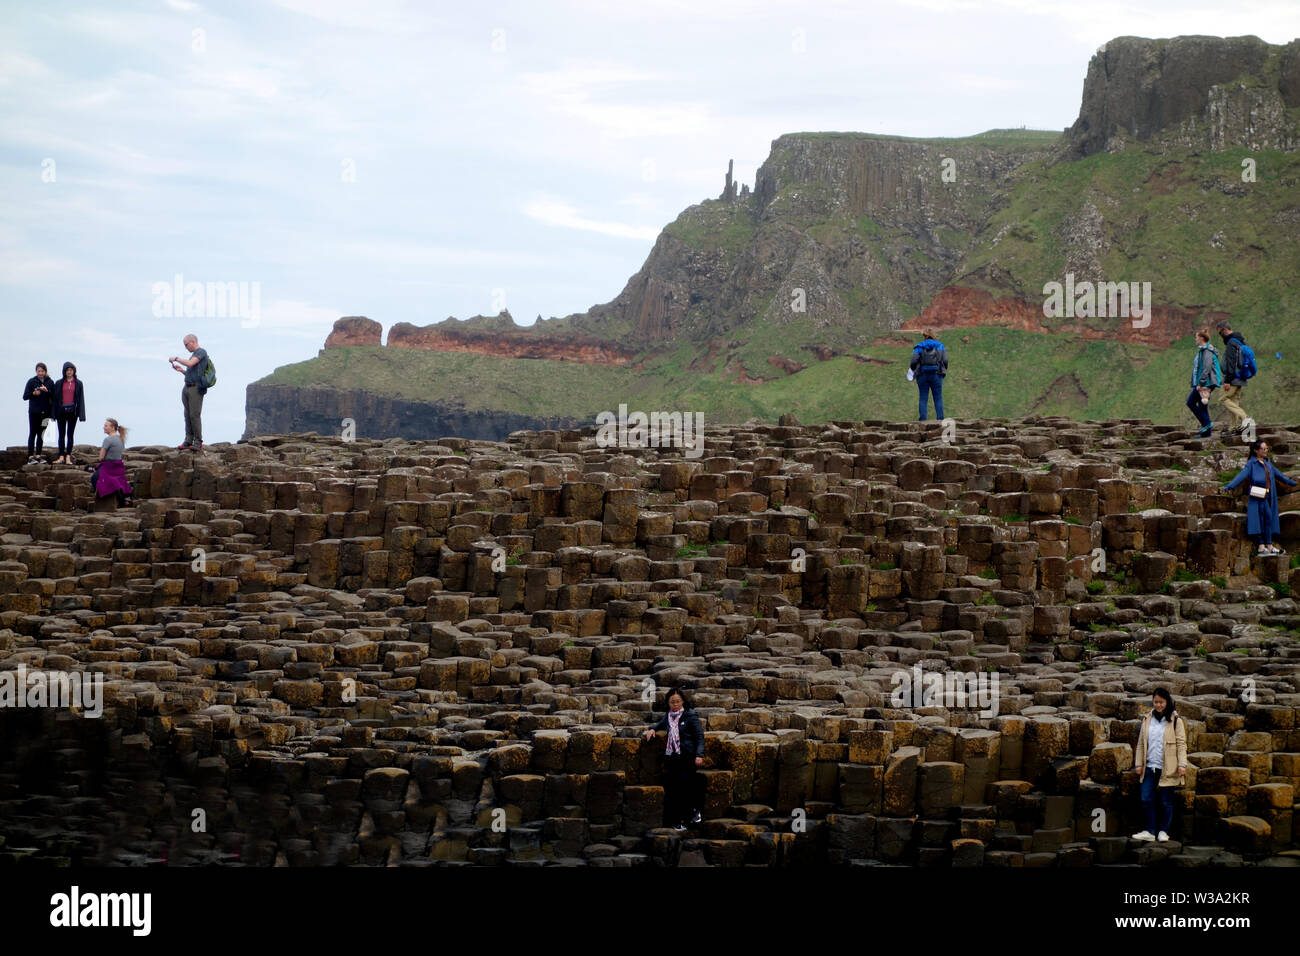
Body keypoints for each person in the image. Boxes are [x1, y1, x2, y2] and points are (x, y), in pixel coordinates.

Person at [642, 687, 705, 831]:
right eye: (672, 702)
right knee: (674, 789)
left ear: (682, 701)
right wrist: (652, 729)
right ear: (668, 703)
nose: (675, 704)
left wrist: (699, 755)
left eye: (677, 702)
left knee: (685, 787)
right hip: (673, 757)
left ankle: (693, 814)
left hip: (688, 756)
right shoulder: (669, 715)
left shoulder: (690, 715)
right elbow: (661, 723)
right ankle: (682, 820)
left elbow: (699, 737)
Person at [1221, 439, 1296, 555]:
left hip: (1267, 497)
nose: (1266, 451)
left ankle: (1269, 546)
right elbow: (1241, 476)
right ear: (1256, 451)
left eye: (1267, 448)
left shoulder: (1267, 463)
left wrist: (1291, 482)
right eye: (1263, 449)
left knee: (1268, 519)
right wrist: (1229, 486)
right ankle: (1261, 546)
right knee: (1259, 520)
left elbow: (1279, 475)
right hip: (1257, 496)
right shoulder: (1251, 464)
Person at [1131, 688, 1188, 843]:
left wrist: (1182, 764)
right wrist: (1138, 764)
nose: (1158, 705)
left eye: (1161, 702)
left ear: (1167, 702)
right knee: (1145, 798)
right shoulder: (1147, 719)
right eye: (1156, 702)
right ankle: (1150, 830)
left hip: (1168, 767)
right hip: (1150, 766)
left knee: (1166, 801)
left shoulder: (1176, 720)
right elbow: (1141, 744)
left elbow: (1182, 744)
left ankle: (1163, 831)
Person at [169, 334, 208, 451]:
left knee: (194, 415)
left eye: (186, 344)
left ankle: (198, 441)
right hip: (187, 387)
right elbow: (192, 372)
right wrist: (182, 371)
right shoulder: (193, 355)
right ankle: (188, 440)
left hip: (196, 388)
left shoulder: (201, 352)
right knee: (187, 415)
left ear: (193, 342)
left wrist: (176, 358)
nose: (186, 347)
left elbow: (190, 364)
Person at [1216, 321, 1251, 434]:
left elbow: (1231, 362)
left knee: (1223, 398)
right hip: (1241, 376)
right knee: (1234, 402)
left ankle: (1245, 418)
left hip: (1233, 377)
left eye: (1220, 333)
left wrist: (1227, 380)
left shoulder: (1231, 343)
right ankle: (1233, 427)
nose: (1220, 336)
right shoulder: (1240, 341)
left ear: (1225, 330)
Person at [1187, 328, 1221, 438]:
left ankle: (1207, 424)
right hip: (1204, 382)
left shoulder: (1207, 351)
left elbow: (1206, 368)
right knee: (1202, 406)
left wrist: (1200, 384)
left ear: (1201, 338)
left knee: (1190, 402)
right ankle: (1206, 434)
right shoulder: (1203, 350)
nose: (1195, 339)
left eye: (1196, 337)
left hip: (1206, 383)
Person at [909, 330, 948, 422]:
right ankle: (940, 419)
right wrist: (943, 370)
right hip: (937, 374)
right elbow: (945, 360)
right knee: (938, 398)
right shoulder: (940, 346)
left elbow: (913, 361)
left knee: (923, 398)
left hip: (922, 375)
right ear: (933, 336)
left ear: (925, 336)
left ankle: (923, 420)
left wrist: (914, 370)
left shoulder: (919, 346)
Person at [93, 418, 133, 505]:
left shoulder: (108, 440)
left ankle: (103, 501)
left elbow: (101, 457)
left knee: (94, 478)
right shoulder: (121, 439)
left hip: (109, 468)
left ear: (113, 427)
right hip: (118, 468)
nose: (103, 427)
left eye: (106, 426)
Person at [21, 362, 55, 463]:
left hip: (45, 412)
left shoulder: (50, 382)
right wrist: (33, 393)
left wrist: (46, 391)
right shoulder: (31, 381)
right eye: (39, 371)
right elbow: (25, 396)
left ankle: (38, 455)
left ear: (45, 371)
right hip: (34, 412)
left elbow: (54, 396)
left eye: (42, 371)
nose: (40, 373)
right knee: (33, 433)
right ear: (36, 371)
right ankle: (31, 456)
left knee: (41, 434)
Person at [53, 362, 86, 466]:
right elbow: (55, 399)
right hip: (61, 412)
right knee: (61, 434)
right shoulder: (59, 383)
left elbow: (81, 399)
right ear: (64, 371)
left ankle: (68, 457)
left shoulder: (78, 383)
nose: (69, 372)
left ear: (74, 371)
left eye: (71, 370)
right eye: (67, 370)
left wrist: (81, 415)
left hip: (73, 412)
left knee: (70, 435)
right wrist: (53, 414)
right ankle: (61, 456)